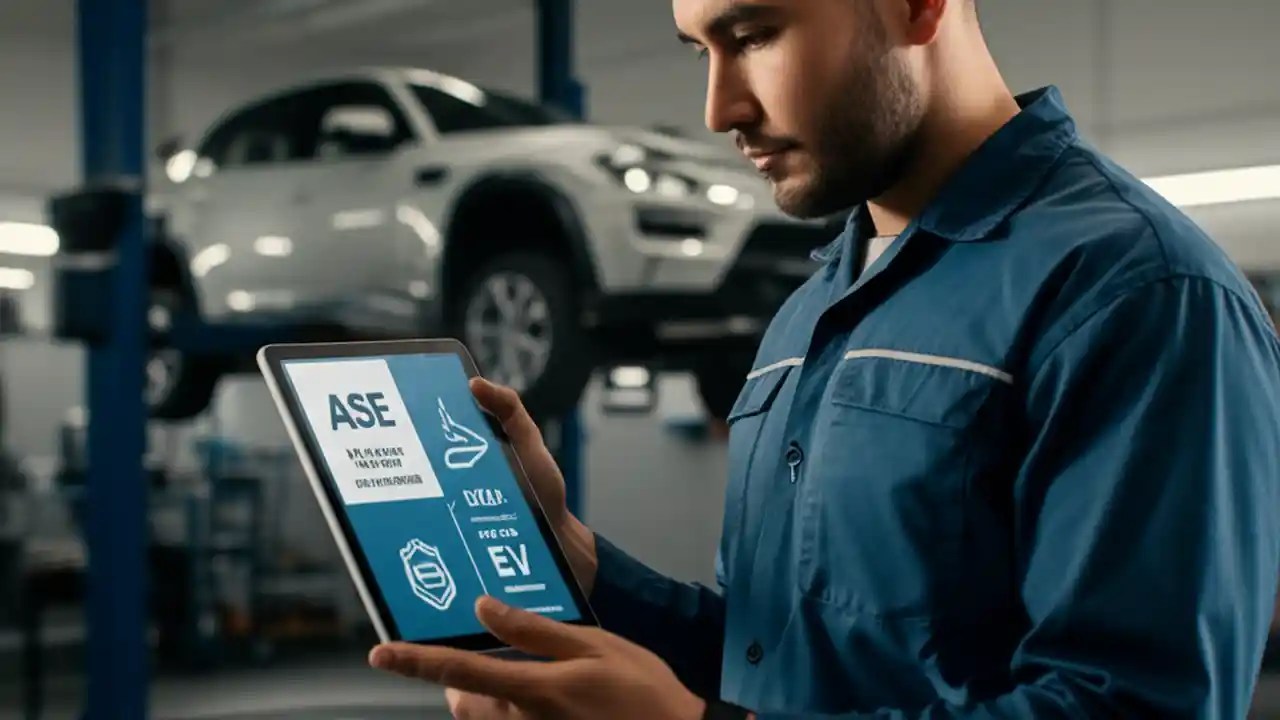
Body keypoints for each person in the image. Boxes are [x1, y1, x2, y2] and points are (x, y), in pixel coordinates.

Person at [368, 0, 1280, 717]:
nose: (720, 106)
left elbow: (1134, 708)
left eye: (754, 33)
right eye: (702, 50)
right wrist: (581, 563)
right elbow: (773, 649)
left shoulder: (1135, 292)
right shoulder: (807, 316)